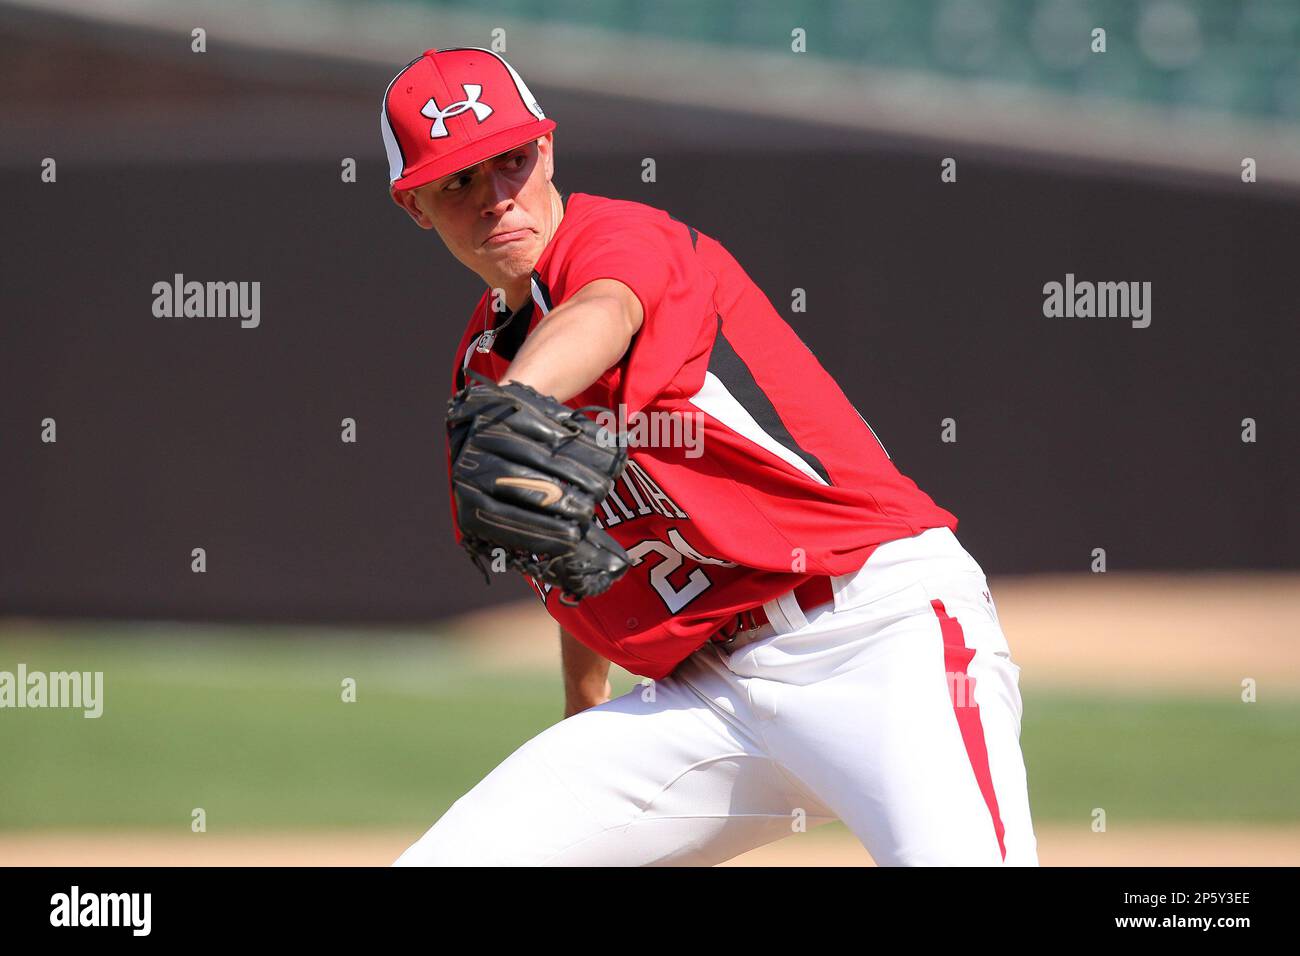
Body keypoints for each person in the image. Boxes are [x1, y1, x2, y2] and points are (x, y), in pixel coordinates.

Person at [383, 47, 1037, 866]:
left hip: (874, 633)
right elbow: (570, 549)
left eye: (510, 161)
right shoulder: (483, 362)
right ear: (414, 205)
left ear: (546, 150)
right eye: (459, 182)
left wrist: (523, 399)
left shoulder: (625, 243)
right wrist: (585, 707)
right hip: (708, 696)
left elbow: (605, 308)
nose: (497, 198)